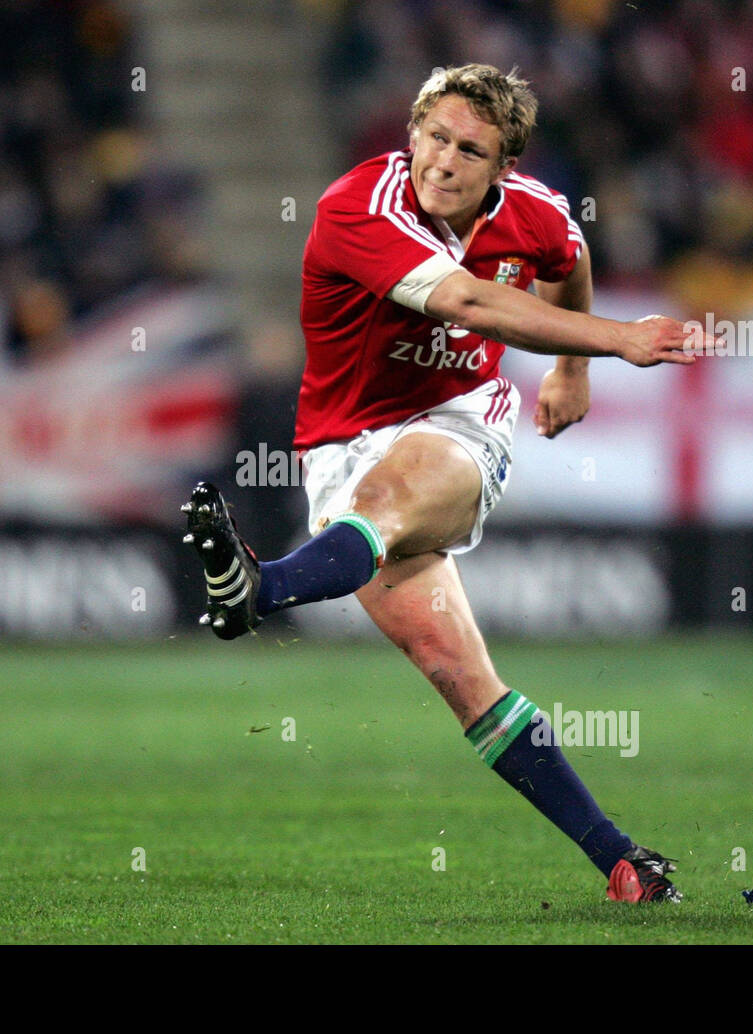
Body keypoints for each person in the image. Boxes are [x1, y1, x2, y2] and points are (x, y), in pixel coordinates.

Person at [183, 63, 699, 903]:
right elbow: (472, 303)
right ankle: (623, 861)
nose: (444, 163)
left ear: (503, 169)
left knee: (392, 499)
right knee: (457, 674)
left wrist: (572, 370)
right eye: (435, 138)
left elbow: (568, 259)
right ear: (411, 133)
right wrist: (615, 339)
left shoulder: (535, 212)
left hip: (463, 419)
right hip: (340, 446)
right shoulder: (359, 207)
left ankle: (261, 588)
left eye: (471, 150)